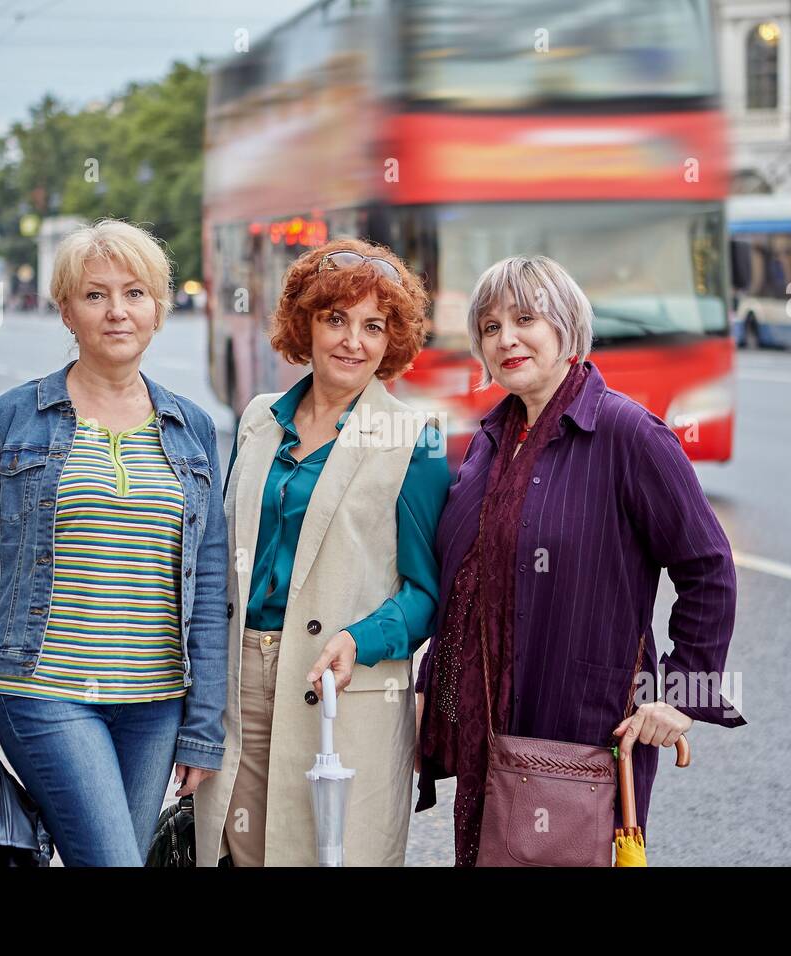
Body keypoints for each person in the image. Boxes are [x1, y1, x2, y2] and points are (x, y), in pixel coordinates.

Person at [416, 255, 746, 866]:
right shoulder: (487, 442)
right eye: (489, 328)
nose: (506, 338)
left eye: (524, 319)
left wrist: (678, 691)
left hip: (584, 733)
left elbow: (708, 566)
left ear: (567, 327)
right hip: (488, 726)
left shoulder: (627, 433)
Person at [0, 219, 229, 866]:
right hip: (43, 689)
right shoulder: (12, 420)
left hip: (155, 705)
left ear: (158, 308)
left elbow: (209, 585)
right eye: (95, 296)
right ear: (66, 310)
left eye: (135, 293)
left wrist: (204, 726)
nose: (117, 311)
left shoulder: (193, 429)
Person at [194, 238, 451, 866]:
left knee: (328, 854)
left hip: (340, 687)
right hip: (239, 686)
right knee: (242, 850)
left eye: (373, 326)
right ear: (302, 323)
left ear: (394, 340)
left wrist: (362, 639)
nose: (352, 342)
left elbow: (426, 593)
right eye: (334, 319)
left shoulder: (417, 439)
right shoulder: (258, 419)